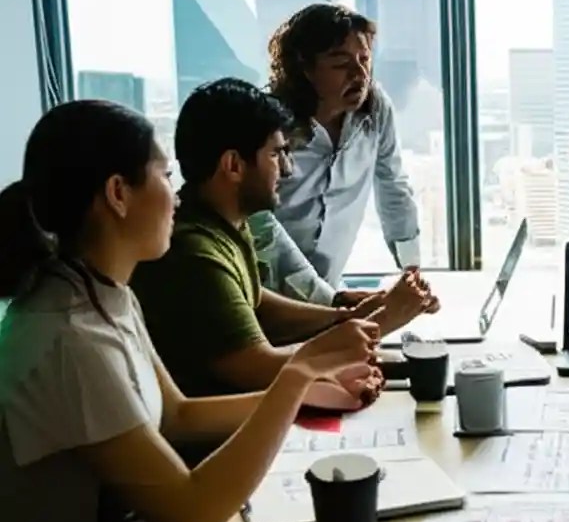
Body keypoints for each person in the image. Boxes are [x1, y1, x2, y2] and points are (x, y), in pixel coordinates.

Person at [0, 101, 378, 522]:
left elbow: (177, 415)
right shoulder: (71, 339)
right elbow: (192, 516)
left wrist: (311, 390)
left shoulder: (101, 291)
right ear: (118, 193)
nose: (177, 196)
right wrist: (298, 374)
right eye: (164, 174)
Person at [130, 78, 436, 403]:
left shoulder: (221, 223)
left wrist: (348, 315)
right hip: (222, 434)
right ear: (233, 165)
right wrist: (383, 321)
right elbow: (260, 368)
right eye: (276, 154)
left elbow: (253, 304)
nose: (288, 170)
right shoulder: (194, 254)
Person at [267, 2, 420, 284]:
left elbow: (393, 187)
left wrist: (411, 270)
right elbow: (254, 223)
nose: (360, 75)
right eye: (341, 63)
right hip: (270, 296)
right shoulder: (270, 124)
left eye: (365, 60)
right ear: (304, 66)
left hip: (330, 289)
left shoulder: (375, 110)